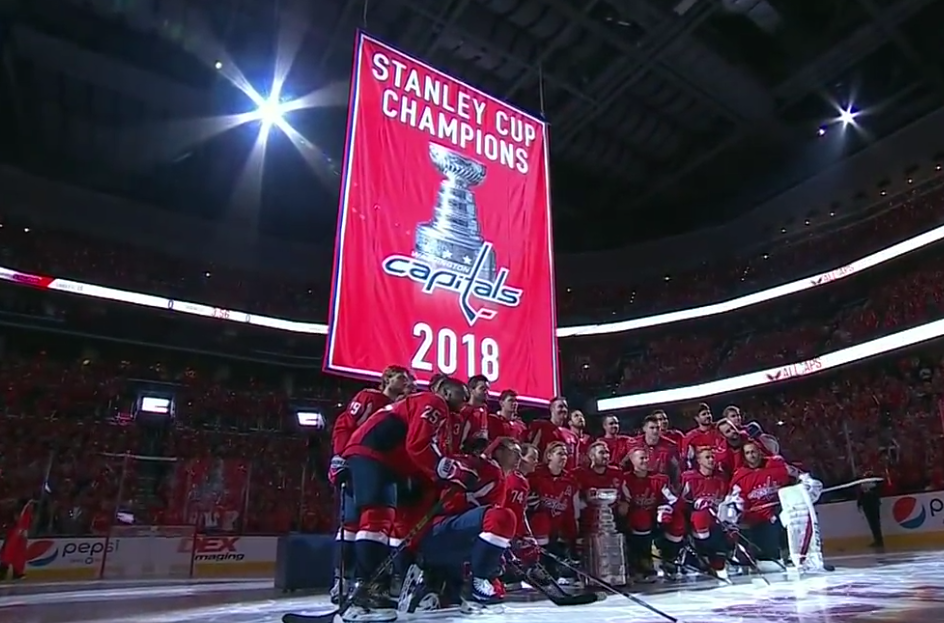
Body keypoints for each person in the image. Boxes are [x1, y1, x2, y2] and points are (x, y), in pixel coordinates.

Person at [340, 377, 470, 622]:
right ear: (443, 390)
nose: (464, 397)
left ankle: (368, 589)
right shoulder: (434, 401)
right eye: (460, 392)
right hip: (374, 453)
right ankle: (364, 594)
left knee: (381, 520)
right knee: (377, 520)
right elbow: (418, 445)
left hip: (378, 456)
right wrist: (448, 471)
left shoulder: (428, 407)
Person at [404, 437, 522, 615]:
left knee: (499, 522)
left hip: (451, 539)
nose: (519, 458)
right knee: (502, 517)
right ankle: (478, 581)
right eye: (515, 452)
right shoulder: (480, 466)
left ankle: (437, 586)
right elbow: (449, 503)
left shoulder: (500, 478)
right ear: (498, 451)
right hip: (433, 534)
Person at [329, 366, 412, 604]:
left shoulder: (401, 407)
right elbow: (345, 423)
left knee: (368, 524)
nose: (405, 382)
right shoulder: (369, 397)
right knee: (354, 523)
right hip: (361, 463)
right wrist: (340, 455)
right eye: (400, 377)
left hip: (378, 466)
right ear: (385, 379)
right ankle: (343, 581)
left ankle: (361, 582)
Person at [620, 448, 684, 581]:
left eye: (646, 458)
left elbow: (672, 499)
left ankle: (669, 558)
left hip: (655, 517)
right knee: (640, 518)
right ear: (632, 461)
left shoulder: (660, 479)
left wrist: (667, 508)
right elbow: (624, 501)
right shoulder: (625, 479)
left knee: (677, 520)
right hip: (633, 520)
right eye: (641, 458)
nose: (645, 461)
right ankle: (642, 561)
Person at [528, 442, 579, 582]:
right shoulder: (535, 475)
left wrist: (572, 534)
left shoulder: (570, 479)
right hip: (536, 530)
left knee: (560, 571)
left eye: (566, 454)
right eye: (560, 453)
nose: (564, 457)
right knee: (541, 520)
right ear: (549, 455)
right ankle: (535, 566)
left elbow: (570, 510)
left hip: (556, 531)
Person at [680, 448, 730, 577]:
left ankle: (721, 555)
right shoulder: (689, 477)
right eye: (707, 457)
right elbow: (683, 502)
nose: (711, 460)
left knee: (719, 565)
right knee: (700, 517)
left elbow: (727, 498)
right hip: (698, 521)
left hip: (717, 519)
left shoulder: (721, 477)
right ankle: (700, 555)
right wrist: (694, 505)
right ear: (699, 460)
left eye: (713, 457)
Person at [629, 414, 681, 485]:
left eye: (657, 428)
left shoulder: (671, 445)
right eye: (652, 428)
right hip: (637, 482)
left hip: (662, 483)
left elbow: (676, 469)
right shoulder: (633, 443)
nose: (655, 431)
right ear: (644, 428)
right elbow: (625, 465)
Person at [529, 397, 580, 469]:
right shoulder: (541, 427)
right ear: (552, 409)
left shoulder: (572, 436)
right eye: (560, 406)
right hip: (545, 475)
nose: (564, 410)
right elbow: (532, 450)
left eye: (566, 407)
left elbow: (575, 462)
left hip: (567, 476)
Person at [680, 403, 724, 469]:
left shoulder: (720, 429)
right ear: (697, 418)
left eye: (709, 413)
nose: (708, 416)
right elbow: (685, 459)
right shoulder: (690, 437)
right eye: (704, 414)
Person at [0, 499, 33, 581]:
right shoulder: (16, 524)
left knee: (13, 557)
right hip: (14, 537)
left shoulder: (22, 522)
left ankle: (16, 573)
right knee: (7, 557)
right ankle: (10, 573)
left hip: (17, 539)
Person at [455, 375, 490, 453]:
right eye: (482, 389)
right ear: (471, 390)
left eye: (487, 389)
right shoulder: (464, 410)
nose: (486, 392)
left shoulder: (484, 410)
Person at [857, 471, 883, 548]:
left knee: (875, 523)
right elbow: (860, 494)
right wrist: (860, 503)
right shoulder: (862, 484)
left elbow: (877, 491)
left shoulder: (874, 484)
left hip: (873, 504)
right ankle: (877, 539)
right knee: (872, 523)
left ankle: (879, 540)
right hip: (867, 504)